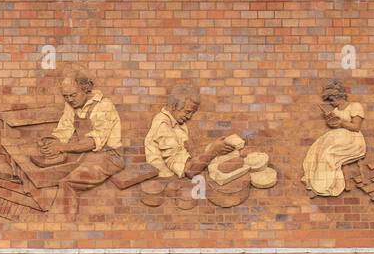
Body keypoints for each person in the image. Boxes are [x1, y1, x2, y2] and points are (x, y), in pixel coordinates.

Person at [35, 70, 124, 213]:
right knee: (48, 174)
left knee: (67, 183)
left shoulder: (104, 106)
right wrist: (51, 141)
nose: (69, 99)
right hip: (85, 153)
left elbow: (93, 142)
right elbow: (64, 129)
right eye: (65, 96)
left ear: (85, 89)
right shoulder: (71, 104)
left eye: (73, 95)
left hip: (109, 157)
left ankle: (64, 224)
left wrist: (62, 147)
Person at [144, 86, 235, 179]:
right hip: (164, 183)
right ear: (173, 106)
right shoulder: (163, 125)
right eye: (187, 112)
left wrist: (212, 148)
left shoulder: (177, 122)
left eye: (192, 113)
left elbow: (189, 155)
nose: (190, 117)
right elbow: (188, 170)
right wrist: (213, 151)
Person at [301, 80, 366, 197]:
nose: (331, 103)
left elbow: (356, 127)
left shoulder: (355, 106)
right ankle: (315, 181)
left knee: (328, 154)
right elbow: (334, 126)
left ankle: (325, 187)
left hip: (352, 140)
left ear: (338, 96)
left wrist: (340, 122)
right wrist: (331, 120)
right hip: (336, 138)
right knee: (316, 150)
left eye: (331, 100)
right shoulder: (335, 111)